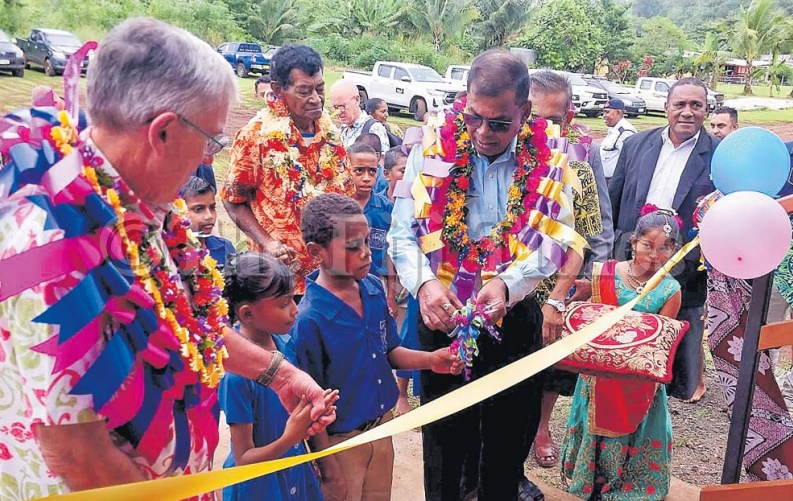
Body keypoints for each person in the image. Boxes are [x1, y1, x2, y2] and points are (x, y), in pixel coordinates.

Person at [0, 18, 334, 499]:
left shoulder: (131, 201)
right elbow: (79, 456)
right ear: (161, 133)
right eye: (211, 140)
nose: (208, 158)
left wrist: (277, 373)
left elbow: (178, 324)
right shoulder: (49, 250)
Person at [388, 49, 584, 501]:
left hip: (512, 320)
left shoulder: (553, 160)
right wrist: (425, 283)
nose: (482, 133)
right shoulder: (430, 148)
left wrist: (507, 285)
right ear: (465, 100)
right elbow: (401, 234)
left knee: (506, 441)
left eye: (499, 123)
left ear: (525, 112)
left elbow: (555, 238)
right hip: (443, 317)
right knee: (443, 442)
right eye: (475, 117)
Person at [289, 193, 463, 501]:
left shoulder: (371, 288)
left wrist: (431, 360)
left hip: (382, 431)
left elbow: (389, 352)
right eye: (353, 246)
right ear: (317, 252)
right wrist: (328, 470)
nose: (367, 253)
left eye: (368, 242)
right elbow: (310, 408)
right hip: (341, 445)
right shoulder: (309, 321)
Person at [523, 71, 614, 481]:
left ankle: (540, 429)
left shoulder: (581, 158)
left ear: (570, 114)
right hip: (505, 286)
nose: (541, 129)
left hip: (559, 285)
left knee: (550, 369)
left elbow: (597, 228)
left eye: (552, 119)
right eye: (532, 119)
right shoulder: (503, 151)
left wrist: (588, 285)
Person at [561, 207, 683, 500]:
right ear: (632, 241)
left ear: (675, 250)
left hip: (638, 382)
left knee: (634, 430)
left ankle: (626, 484)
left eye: (664, 248)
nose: (654, 255)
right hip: (598, 377)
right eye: (647, 246)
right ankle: (590, 480)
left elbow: (659, 344)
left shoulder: (670, 290)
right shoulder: (605, 274)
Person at [609, 77, 718, 404]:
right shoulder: (636, 145)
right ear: (666, 107)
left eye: (695, 105)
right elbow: (614, 202)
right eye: (680, 104)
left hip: (683, 270)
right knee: (623, 343)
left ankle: (656, 413)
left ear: (706, 110)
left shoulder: (718, 155)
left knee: (670, 358)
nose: (687, 112)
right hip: (630, 261)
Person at [221, 44, 353, 298]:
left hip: (330, 277)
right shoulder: (255, 136)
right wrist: (267, 242)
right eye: (304, 91)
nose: (316, 98)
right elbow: (232, 201)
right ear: (278, 90)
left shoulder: (331, 134)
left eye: (320, 88)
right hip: (280, 282)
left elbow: (347, 195)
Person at [220, 252, 336, 501]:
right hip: (260, 487)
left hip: (295, 471)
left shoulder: (286, 344)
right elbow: (243, 459)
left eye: (293, 299)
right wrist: (289, 439)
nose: (295, 310)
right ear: (247, 314)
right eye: (284, 304)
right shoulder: (236, 377)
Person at [347, 142, 397, 314]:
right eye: (359, 171)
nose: (366, 178)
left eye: (372, 171)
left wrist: (391, 295)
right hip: (342, 283)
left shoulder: (386, 209)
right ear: (347, 170)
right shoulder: (337, 205)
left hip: (376, 284)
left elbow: (390, 253)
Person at [182, 176, 235, 269]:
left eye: (212, 207)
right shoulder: (170, 255)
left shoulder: (225, 247)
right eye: (198, 209)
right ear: (179, 211)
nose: (209, 216)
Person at [330, 79, 390, 154]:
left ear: (357, 100)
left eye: (342, 106)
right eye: (335, 108)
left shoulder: (374, 128)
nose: (338, 112)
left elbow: (382, 162)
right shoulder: (342, 130)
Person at [599, 99, 637, 182]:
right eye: (604, 112)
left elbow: (631, 162)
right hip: (604, 179)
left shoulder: (626, 132)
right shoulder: (613, 130)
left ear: (618, 113)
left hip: (613, 182)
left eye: (607, 112)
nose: (604, 115)